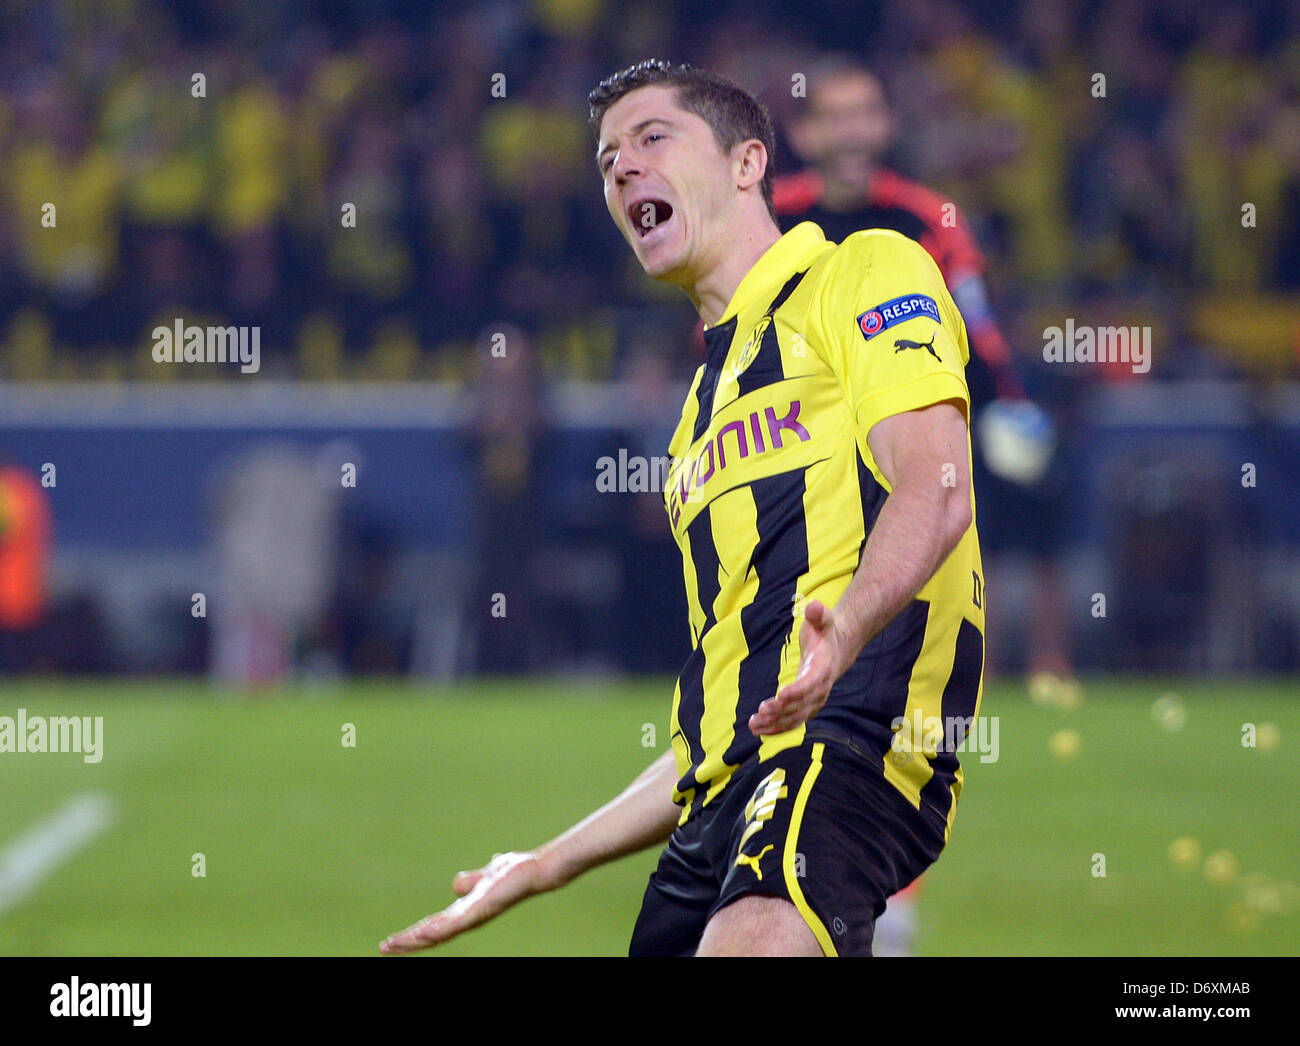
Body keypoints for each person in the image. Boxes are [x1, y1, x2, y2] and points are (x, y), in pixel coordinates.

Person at [382, 59, 985, 957]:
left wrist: (849, 627)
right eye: (605, 159)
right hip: (722, 808)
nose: (621, 168)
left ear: (748, 164)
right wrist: (548, 862)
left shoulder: (862, 272)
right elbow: (722, 722)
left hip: (845, 749)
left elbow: (938, 489)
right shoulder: (695, 425)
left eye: (652, 138)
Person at [775, 56, 1071, 683]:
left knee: (1031, 493)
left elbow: (976, 320)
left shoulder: (928, 215)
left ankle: (1045, 663)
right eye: (836, 117)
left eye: (865, 114)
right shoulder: (773, 215)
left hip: (928, 400)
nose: (853, 131)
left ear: (886, 125)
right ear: (805, 134)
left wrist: (1008, 401)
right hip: (807, 415)